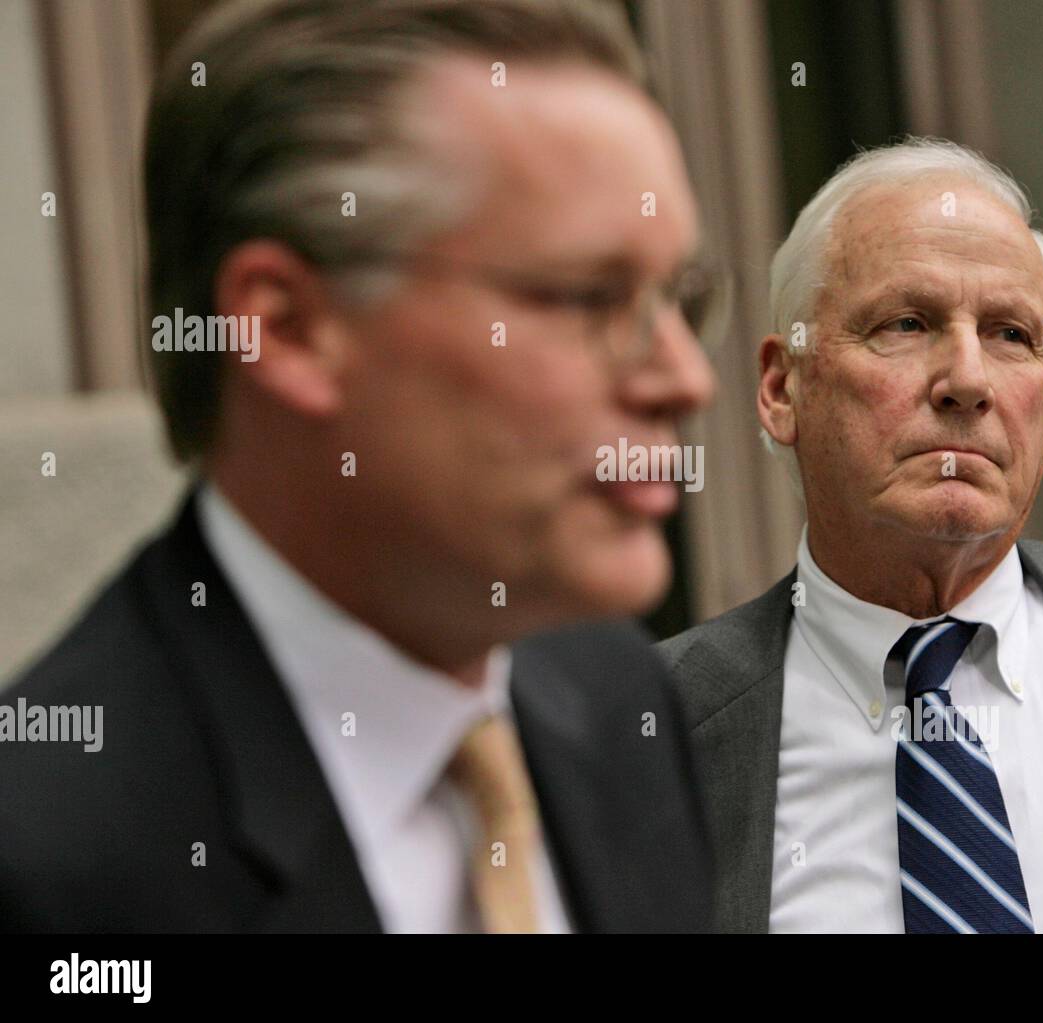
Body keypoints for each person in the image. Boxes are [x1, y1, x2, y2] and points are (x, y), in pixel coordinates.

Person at [0, 0, 719, 933]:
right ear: (288, 328)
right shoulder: (52, 865)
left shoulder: (620, 697)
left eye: (679, 298)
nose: (685, 377)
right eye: (589, 299)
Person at [658, 137, 1043, 934]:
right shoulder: (646, 741)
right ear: (783, 386)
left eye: (1010, 335)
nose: (967, 380)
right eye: (906, 322)